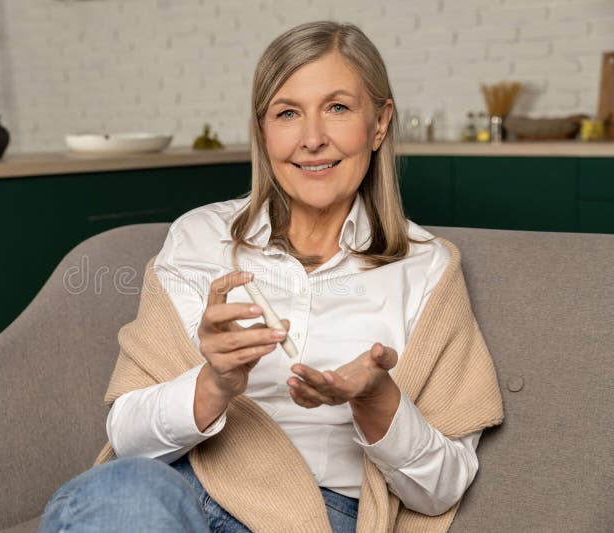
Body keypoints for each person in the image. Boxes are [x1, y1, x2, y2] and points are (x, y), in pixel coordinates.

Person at [37, 20, 503, 533]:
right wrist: (214, 382)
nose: (312, 140)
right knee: (121, 493)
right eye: (287, 113)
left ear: (379, 123)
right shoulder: (200, 237)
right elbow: (127, 440)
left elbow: (441, 490)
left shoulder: (427, 267)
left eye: (338, 108)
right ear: (263, 130)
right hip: (168, 496)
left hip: (315, 515)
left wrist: (376, 399)